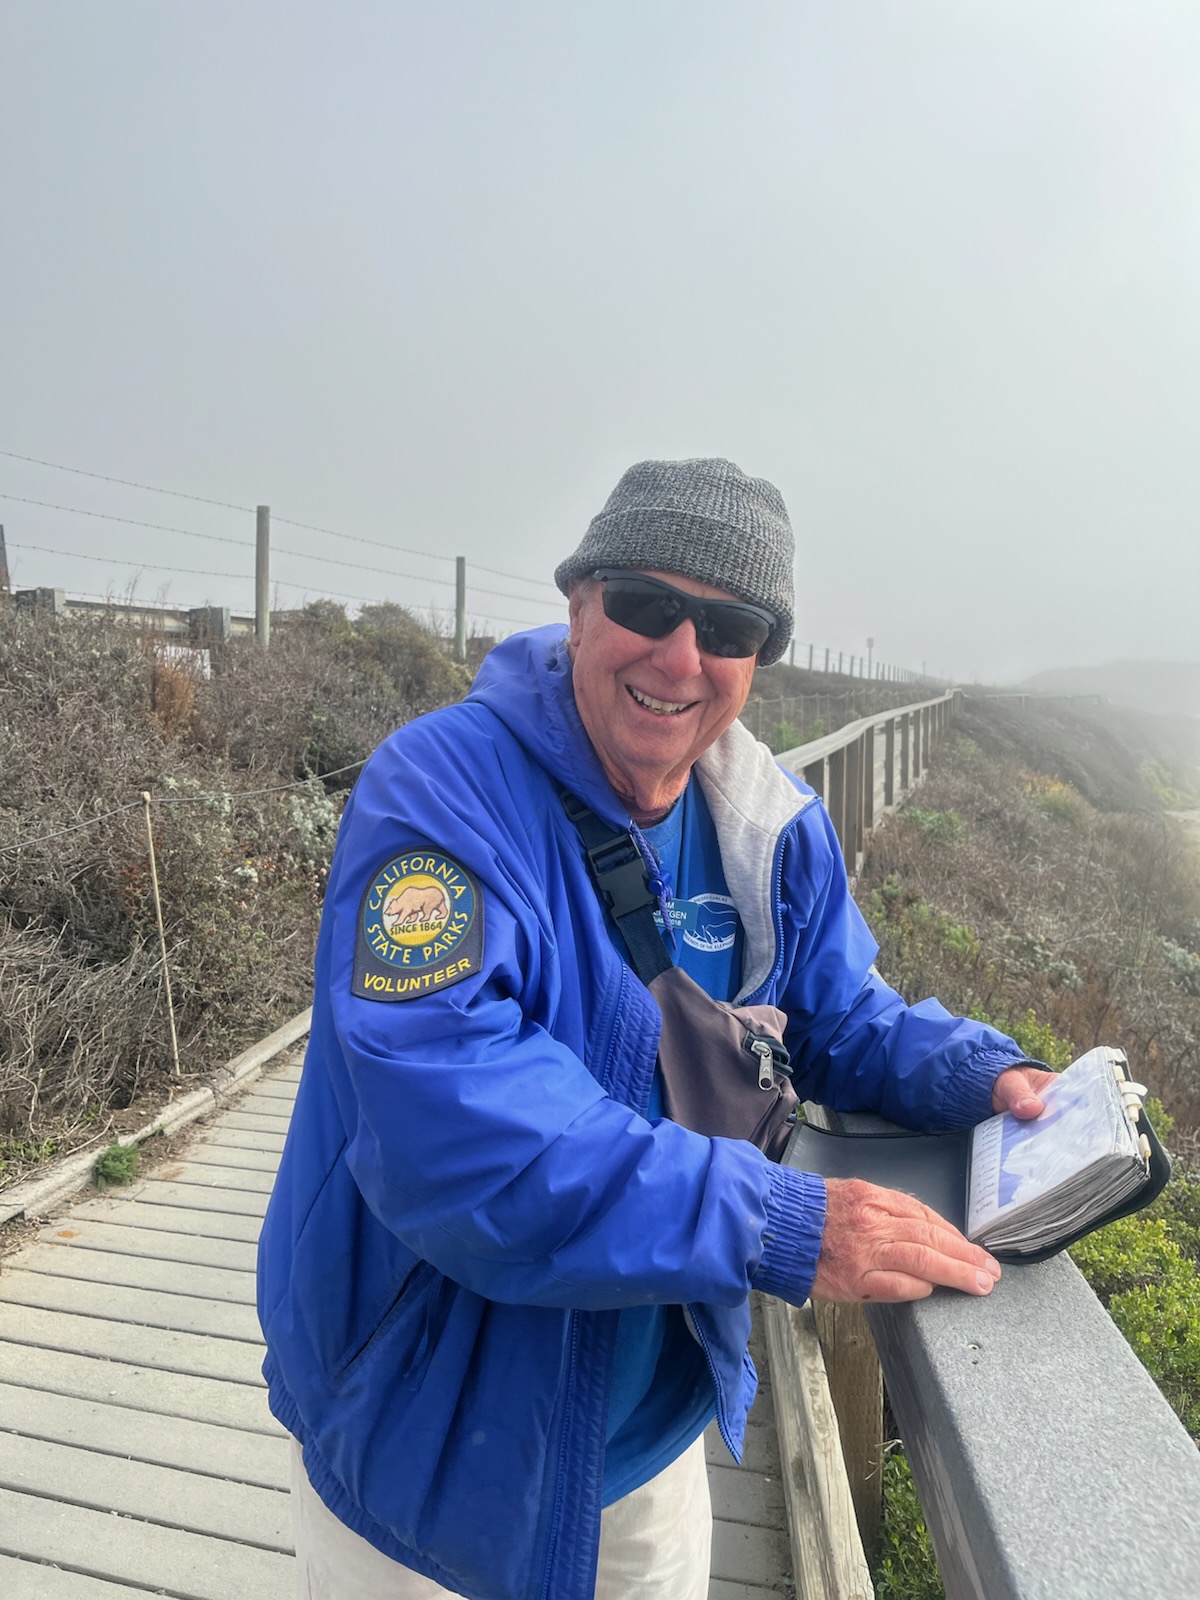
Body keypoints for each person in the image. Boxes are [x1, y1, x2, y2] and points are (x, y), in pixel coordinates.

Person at [257, 457, 1054, 1600]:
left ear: (758, 660)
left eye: (726, 625)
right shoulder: (440, 794)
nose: (680, 655)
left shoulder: (765, 825)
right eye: (644, 604)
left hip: (644, 1442)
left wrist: (987, 1076)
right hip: (425, 1457)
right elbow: (451, 1124)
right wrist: (776, 1222)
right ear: (579, 604)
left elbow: (838, 1012)